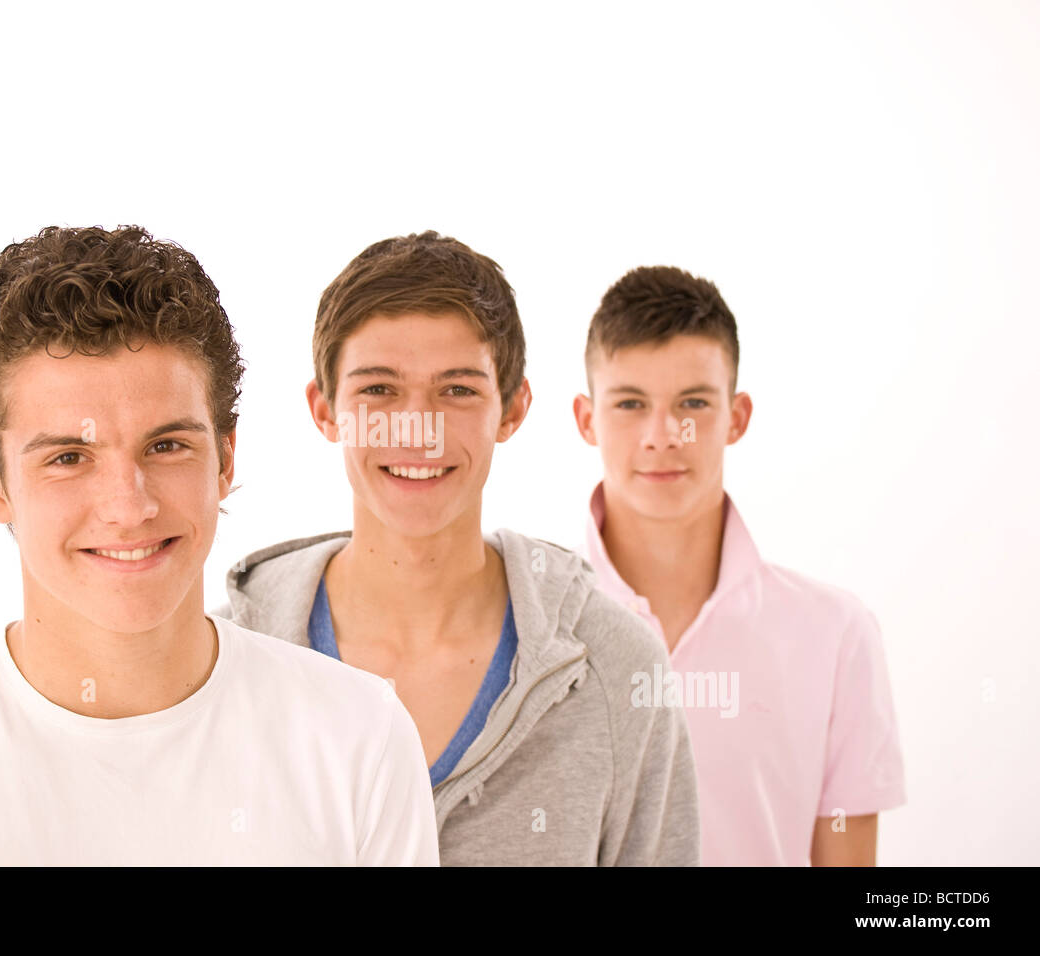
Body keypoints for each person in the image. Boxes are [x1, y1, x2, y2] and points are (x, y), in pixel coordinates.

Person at [0, 225, 438, 866]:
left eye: (167, 445)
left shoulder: (360, 739)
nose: (130, 507)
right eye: (68, 457)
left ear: (225, 459)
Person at [217, 231, 699, 865]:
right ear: (325, 408)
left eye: (458, 390)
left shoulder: (618, 668)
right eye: (378, 390)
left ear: (513, 408)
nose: (419, 428)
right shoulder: (218, 665)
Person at [572, 265, 907, 866]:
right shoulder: (527, 625)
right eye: (630, 403)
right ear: (586, 419)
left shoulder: (835, 635)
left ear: (737, 416)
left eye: (693, 403)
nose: (662, 435)